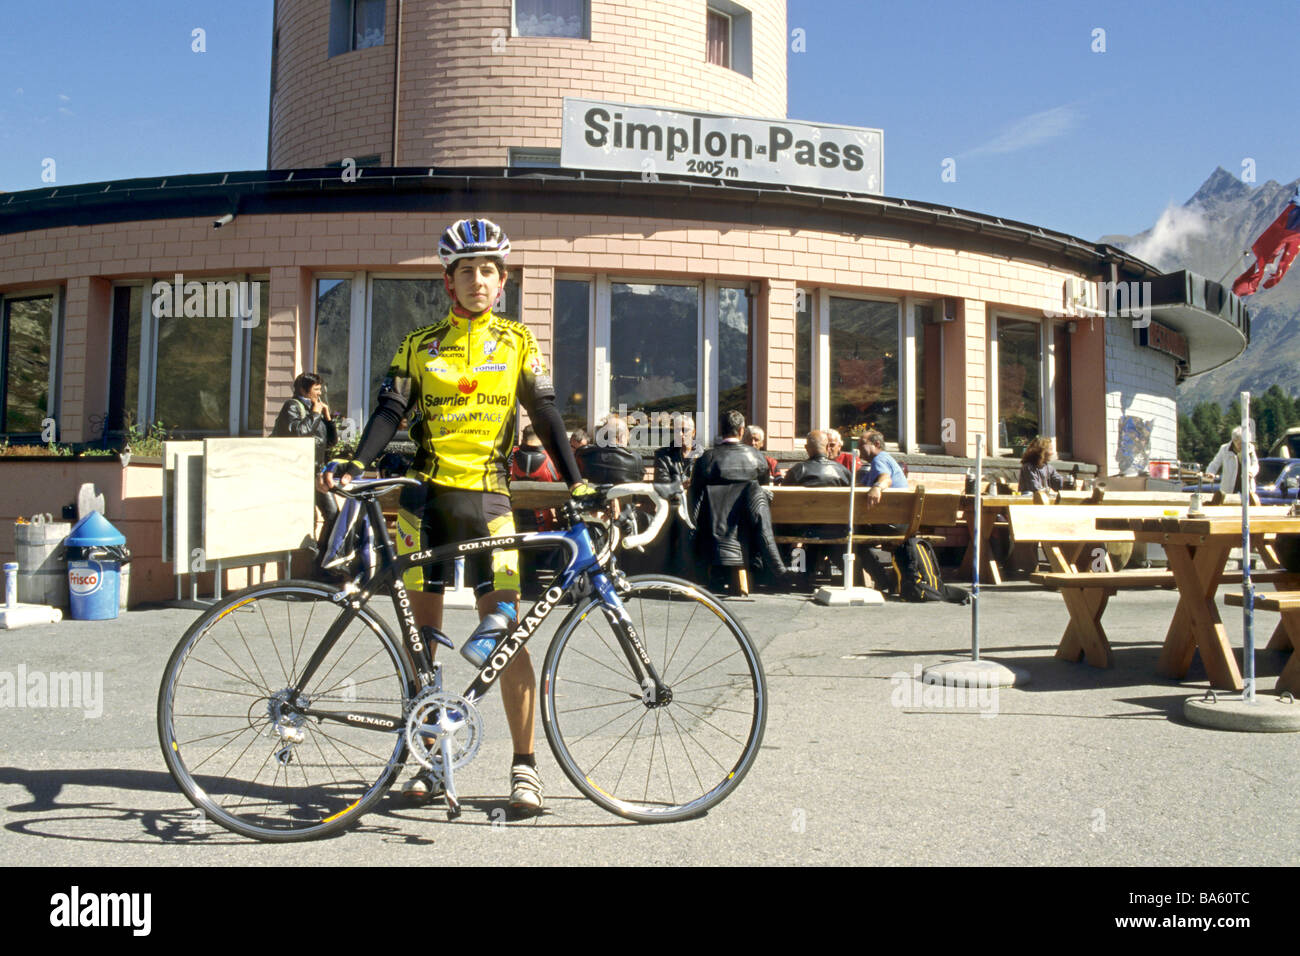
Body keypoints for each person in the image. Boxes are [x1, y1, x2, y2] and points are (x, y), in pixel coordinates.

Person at [320, 218, 587, 814]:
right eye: (465, 270)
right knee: (424, 646)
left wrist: (578, 480)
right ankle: (429, 756)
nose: (477, 280)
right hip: (424, 505)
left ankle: (525, 769)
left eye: (487, 269)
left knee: (508, 636)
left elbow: (543, 412)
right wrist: (352, 461)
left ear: (503, 279)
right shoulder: (418, 343)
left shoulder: (518, 340)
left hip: (491, 503)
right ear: (448, 282)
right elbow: (390, 410)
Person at [688, 410, 785, 588]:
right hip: (748, 530)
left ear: (720, 429)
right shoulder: (758, 458)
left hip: (711, 531)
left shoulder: (706, 458)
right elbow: (760, 492)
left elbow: (694, 496)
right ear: (741, 431)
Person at [273, 372, 339, 558]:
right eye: (315, 389)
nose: (319, 393)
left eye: (320, 389)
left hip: (317, 472)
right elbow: (299, 434)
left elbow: (332, 442)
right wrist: (315, 414)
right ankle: (309, 563)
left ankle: (322, 557)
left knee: (333, 514)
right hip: (299, 472)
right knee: (307, 518)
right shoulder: (292, 406)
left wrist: (327, 419)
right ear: (303, 389)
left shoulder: (315, 409)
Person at [575, 414, 644, 485]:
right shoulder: (635, 459)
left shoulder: (583, 454)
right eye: (627, 434)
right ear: (621, 437)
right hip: (621, 495)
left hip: (592, 495)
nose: (629, 438)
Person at [1204, 426, 1260, 496]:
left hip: (1247, 488)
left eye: (1245, 443)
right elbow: (1215, 463)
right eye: (1240, 443)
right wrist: (1210, 472)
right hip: (1228, 488)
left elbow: (1255, 464)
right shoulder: (1224, 449)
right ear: (1234, 441)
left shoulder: (1250, 448)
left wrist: (1251, 472)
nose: (1243, 446)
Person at [782, 430, 851, 487]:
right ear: (828, 447)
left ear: (806, 448)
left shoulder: (798, 470)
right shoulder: (842, 471)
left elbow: (783, 495)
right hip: (836, 503)